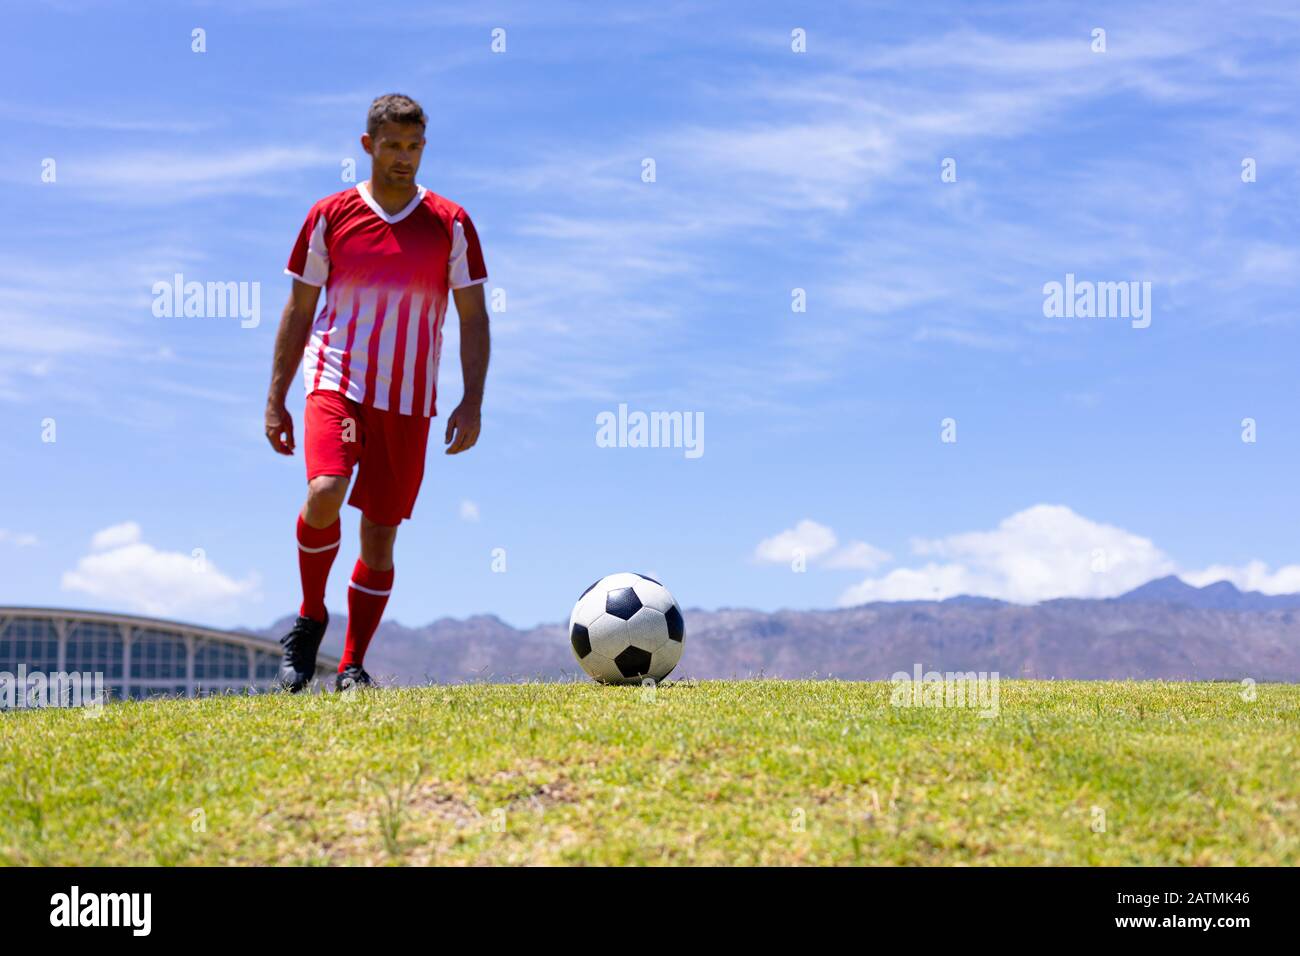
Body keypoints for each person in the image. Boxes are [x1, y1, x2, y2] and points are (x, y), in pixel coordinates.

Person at [264, 92, 490, 692]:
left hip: (410, 399)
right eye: (392, 145)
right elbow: (299, 308)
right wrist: (275, 397)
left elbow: (473, 316)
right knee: (325, 490)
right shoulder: (329, 215)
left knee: (381, 533)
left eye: (414, 146)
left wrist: (472, 400)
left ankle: (352, 665)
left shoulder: (451, 223)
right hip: (336, 380)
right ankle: (311, 616)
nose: (403, 158)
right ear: (368, 145)